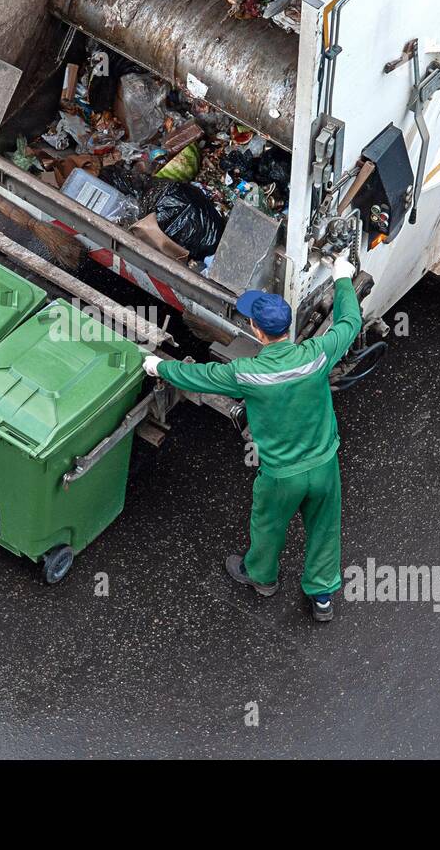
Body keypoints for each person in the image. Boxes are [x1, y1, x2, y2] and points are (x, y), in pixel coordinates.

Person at [143, 254, 362, 621]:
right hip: (324, 466)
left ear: (258, 332)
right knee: (325, 529)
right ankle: (322, 596)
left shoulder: (247, 373)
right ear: (287, 327)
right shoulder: (318, 355)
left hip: (280, 475)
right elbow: (350, 322)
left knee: (268, 525)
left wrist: (158, 366)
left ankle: (262, 578)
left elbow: (200, 377)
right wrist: (342, 279)